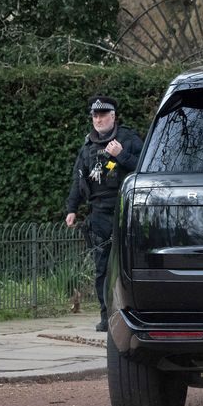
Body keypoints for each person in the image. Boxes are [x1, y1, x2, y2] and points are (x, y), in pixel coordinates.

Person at [64, 96, 143, 332]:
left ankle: (133, 314)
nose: (98, 119)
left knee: (130, 265)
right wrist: (71, 209)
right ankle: (105, 315)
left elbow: (146, 167)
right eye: (94, 115)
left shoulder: (128, 139)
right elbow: (78, 179)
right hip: (99, 213)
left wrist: (122, 156)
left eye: (102, 115)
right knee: (102, 268)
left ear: (113, 116)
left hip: (127, 211)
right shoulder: (88, 145)